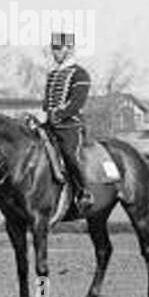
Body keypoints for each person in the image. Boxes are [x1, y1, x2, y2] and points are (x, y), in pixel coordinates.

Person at [42, 31, 93, 210]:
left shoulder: (80, 74)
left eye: (58, 49)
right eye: (53, 49)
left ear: (69, 49)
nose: (54, 53)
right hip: (50, 125)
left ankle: (84, 191)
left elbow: (76, 103)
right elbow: (47, 102)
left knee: (70, 155)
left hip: (70, 125)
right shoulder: (52, 74)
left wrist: (58, 114)